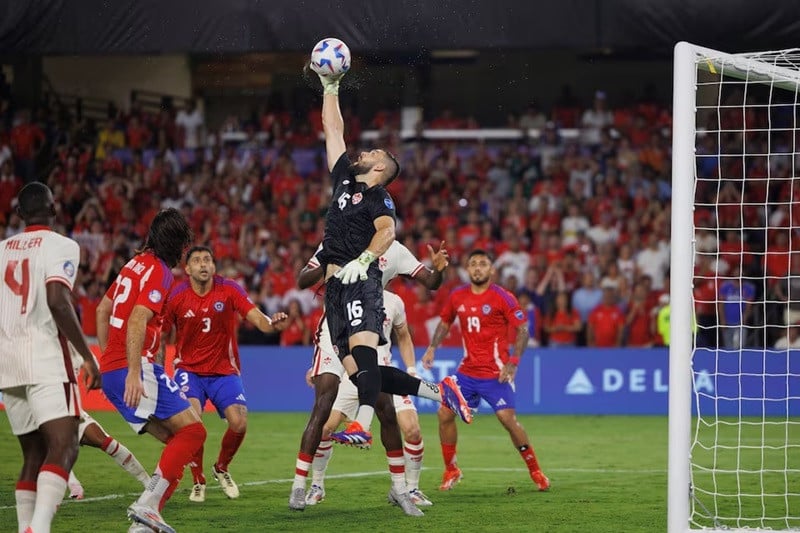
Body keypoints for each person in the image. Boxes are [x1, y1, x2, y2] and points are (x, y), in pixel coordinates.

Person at [306, 61, 470, 453]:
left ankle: (362, 426)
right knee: (365, 373)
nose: (365, 151)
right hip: (334, 292)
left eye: (374, 151)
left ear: (379, 167)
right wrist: (330, 86)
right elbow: (333, 129)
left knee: (363, 360)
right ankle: (440, 391)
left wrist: (363, 262)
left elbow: (387, 233)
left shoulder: (380, 197)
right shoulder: (345, 177)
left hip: (361, 283)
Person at [289, 239, 470, 515]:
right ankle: (302, 485)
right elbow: (303, 280)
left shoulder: (393, 249)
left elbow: (431, 281)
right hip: (335, 322)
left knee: (384, 406)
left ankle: (399, 486)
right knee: (325, 402)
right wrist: (327, 259)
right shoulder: (335, 239)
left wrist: (440, 270)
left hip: (367, 316)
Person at [0, 182, 102, 533]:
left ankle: (24, 528)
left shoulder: (0, 251)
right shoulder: (62, 245)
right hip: (45, 358)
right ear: (55, 210)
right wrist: (88, 355)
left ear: (18, 214)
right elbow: (57, 299)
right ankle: (38, 529)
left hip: (7, 366)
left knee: (33, 455)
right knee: (65, 445)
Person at [96, 208, 205, 533]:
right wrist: (130, 370)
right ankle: (147, 505)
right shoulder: (159, 271)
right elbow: (137, 319)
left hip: (113, 373)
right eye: (184, 245)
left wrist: (108, 363)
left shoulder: (132, 265)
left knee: (177, 448)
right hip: (134, 369)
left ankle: (143, 525)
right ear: (176, 243)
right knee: (195, 433)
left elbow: (103, 310)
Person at [162, 245, 286, 503]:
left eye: (207, 260)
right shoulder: (176, 296)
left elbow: (257, 317)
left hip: (223, 370)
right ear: (187, 269)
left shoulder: (228, 288)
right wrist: (155, 367)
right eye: (196, 261)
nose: (203, 264)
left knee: (239, 423)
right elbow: (161, 334)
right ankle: (198, 480)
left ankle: (221, 467)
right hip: (188, 370)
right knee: (192, 423)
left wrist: (272, 325)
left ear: (214, 266)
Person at [423, 249, 550, 493]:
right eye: (473, 264)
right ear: (468, 270)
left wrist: (513, 362)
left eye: (483, 264)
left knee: (507, 420)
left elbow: (523, 329)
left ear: (492, 270)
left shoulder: (503, 297)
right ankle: (451, 470)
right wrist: (432, 348)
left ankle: (535, 470)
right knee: (444, 414)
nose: (478, 267)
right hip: (467, 373)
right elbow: (445, 321)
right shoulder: (457, 296)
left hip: (496, 373)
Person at [306, 290, 433, 509]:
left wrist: (411, 369)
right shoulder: (343, 294)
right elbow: (331, 335)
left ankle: (410, 488)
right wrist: (321, 366)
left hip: (385, 375)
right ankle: (317, 486)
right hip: (351, 372)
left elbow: (403, 336)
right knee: (324, 428)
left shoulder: (394, 301)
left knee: (412, 430)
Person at [66, 344, 151, 500]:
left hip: (72, 411)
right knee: (51, 448)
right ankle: (73, 485)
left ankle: (149, 483)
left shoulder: (68, 343)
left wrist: (100, 381)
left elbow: (90, 361)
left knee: (105, 442)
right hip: (45, 412)